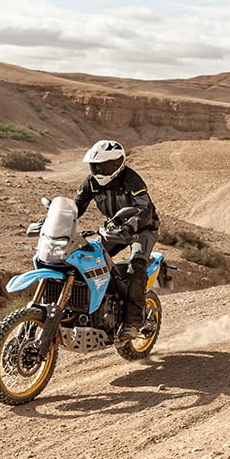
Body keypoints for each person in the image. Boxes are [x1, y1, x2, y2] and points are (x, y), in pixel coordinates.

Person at [74, 140, 160, 340]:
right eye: (94, 166)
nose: (97, 170)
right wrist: (51, 219)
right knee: (88, 260)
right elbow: (75, 206)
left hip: (143, 229)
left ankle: (133, 322)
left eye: (102, 166)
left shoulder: (131, 179)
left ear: (116, 163)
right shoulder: (91, 182)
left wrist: (131, 225)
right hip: (114, 230)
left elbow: (144, 208)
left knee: (136, 267)